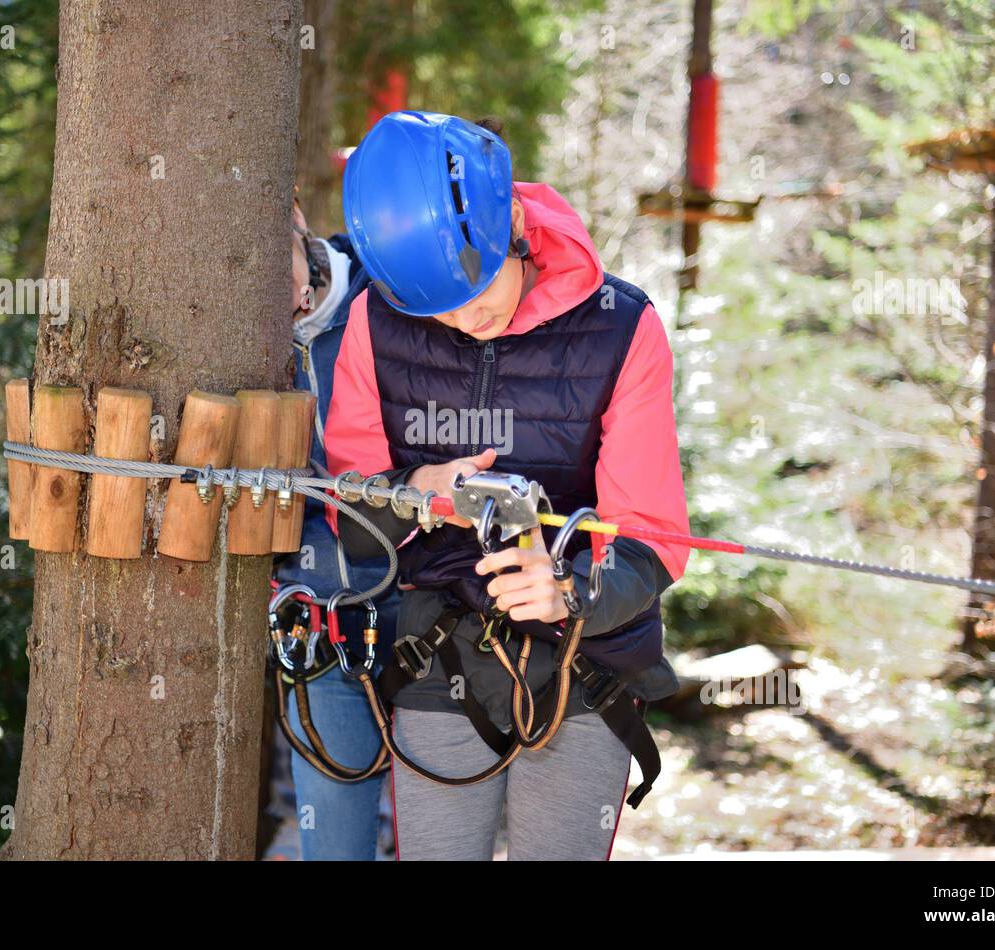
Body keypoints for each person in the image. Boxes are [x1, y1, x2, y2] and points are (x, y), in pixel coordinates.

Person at [324, 111, 690, 861]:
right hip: (440, 654)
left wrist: (571, 590)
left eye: (474, 285)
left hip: (587, 667)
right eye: (434, 305)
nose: (465, 318)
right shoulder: (373, 321)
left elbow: (655, 535)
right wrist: (419, 485)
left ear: (513, 222)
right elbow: (348, 504)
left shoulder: (622, 328)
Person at [271, 196, 399, 861]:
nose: (276, 303)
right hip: (321, 630)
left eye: (276, 274)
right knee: (335, 850)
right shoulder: (229, 339)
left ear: (293, 217)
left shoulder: (394, 289)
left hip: (434, 624)